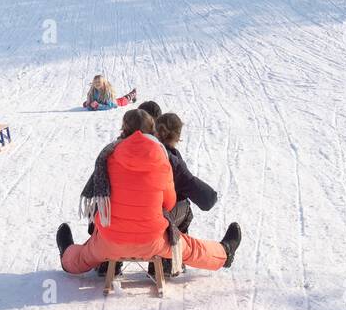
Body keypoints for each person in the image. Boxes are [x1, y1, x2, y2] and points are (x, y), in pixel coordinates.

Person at [56, 109, 241, 276]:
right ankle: (224, 253)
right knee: (190, 247)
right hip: (153, 240)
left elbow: (98, 197)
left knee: (83, 255)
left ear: (123, 129)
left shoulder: (107, 157)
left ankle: (67, 255)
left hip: (111, 241)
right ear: (152, 129)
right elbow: (169, 203)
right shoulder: (162, 157)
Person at [154, 112, 219, 268]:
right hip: (156, 220)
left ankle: (107, 263)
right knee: (185, 209)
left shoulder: (131, 150)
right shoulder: (173, 161)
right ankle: (169, 261)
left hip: (124, 222)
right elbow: (207, 201)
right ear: (177, 137)